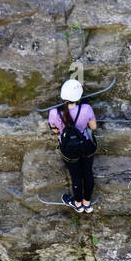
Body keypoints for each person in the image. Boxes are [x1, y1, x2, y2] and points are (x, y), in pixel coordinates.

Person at [48, 79, 97, 213]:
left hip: (68, 149)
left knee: (76, 175)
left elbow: (55, 130)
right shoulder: (86, 108)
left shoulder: (54, 112)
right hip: (85, 145)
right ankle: (87, 203)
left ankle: (78, 204)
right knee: (87, 173)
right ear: (79, 95)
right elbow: (93, 127)